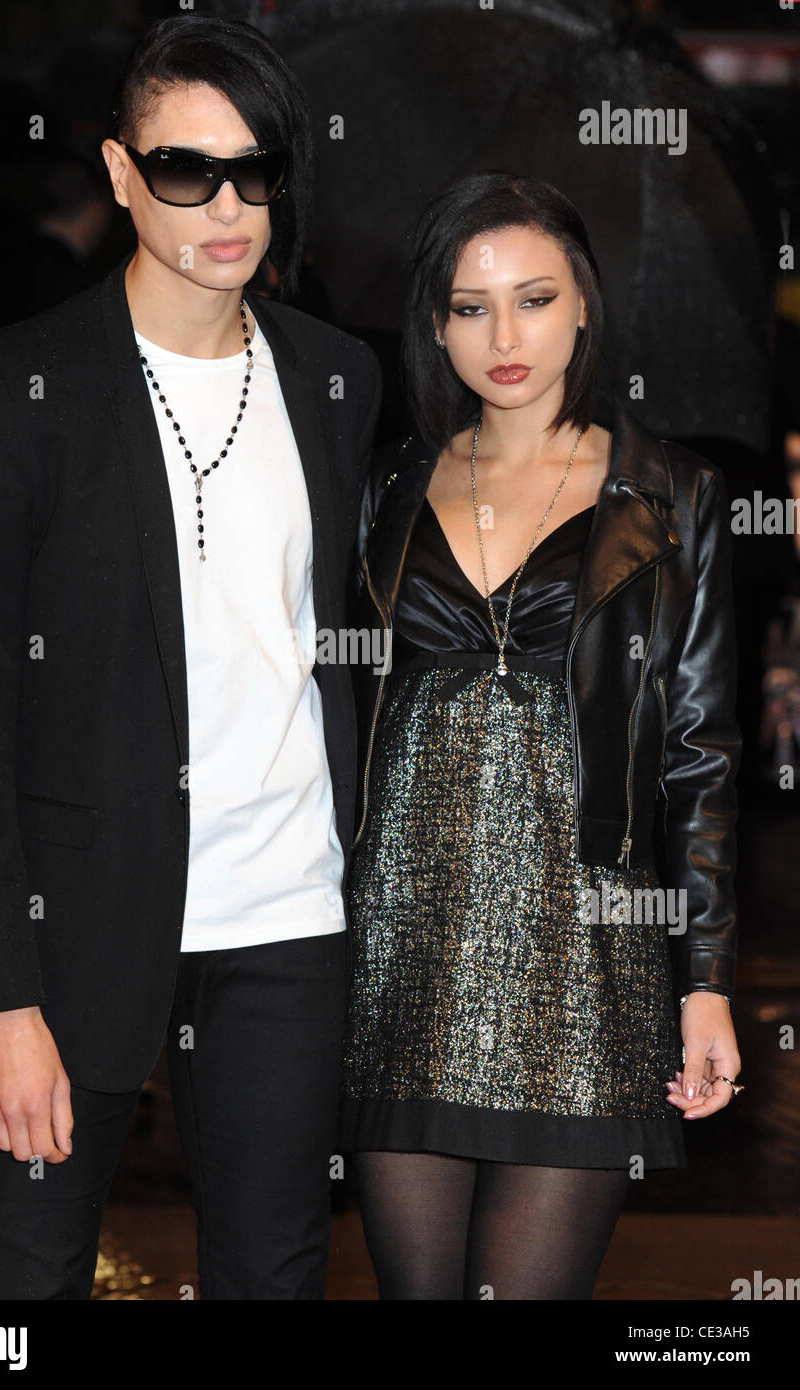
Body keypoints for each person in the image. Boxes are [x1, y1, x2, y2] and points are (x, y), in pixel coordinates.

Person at [0, 14, 381, 1300]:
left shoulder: (338, 385)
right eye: (186, 170)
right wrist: (1, 1003)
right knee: (22, 1279)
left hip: (292, 912)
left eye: (256, 167)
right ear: (121, 172)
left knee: (276, 1271)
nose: (226, 204)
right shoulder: (15, 391)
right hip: (78, 925)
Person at [339, 172, 743, 1300]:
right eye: (470, 307)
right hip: (401, 942)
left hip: (582, 951)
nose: (503, 335)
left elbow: (702, 750)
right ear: (433, 322)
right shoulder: (386, 486)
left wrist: (704, 979)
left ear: (583, 309)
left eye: (533, 298)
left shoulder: (675, 493)